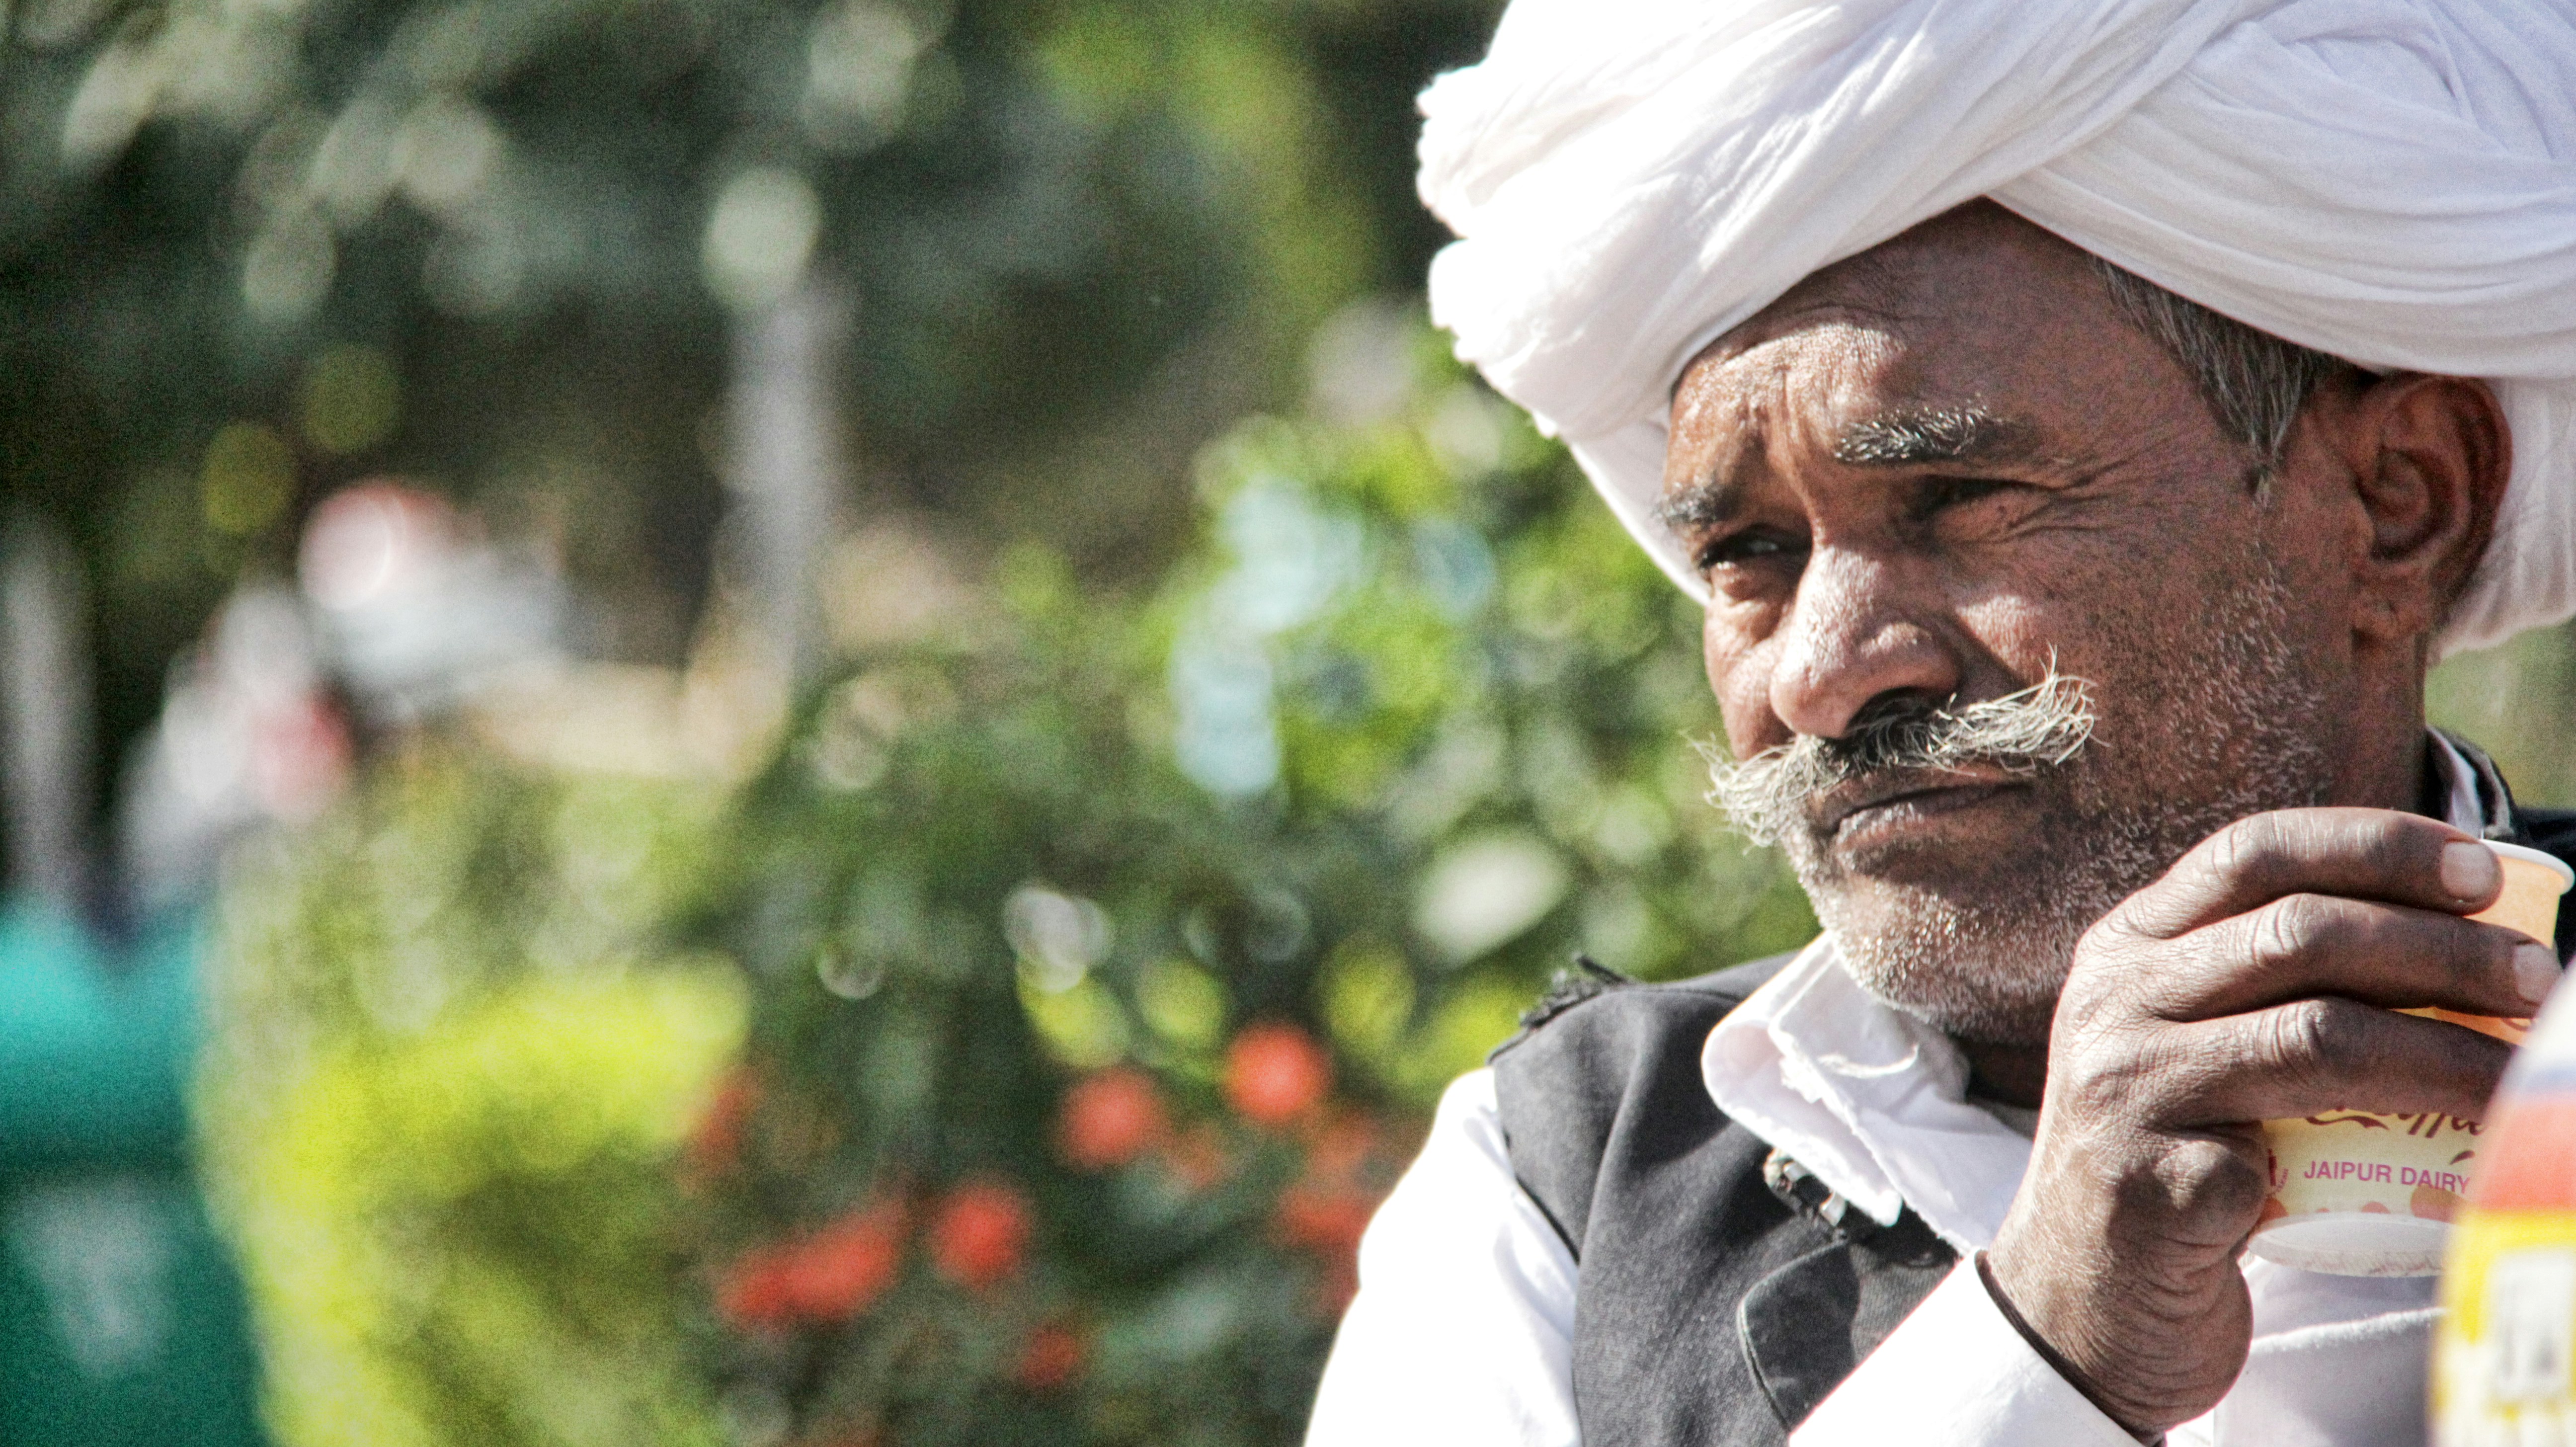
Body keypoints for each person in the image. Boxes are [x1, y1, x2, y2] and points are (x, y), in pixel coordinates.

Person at [1304, 3, 2576, 1444]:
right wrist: (2045, 1340)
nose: (1823, 676)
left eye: (1958, 503)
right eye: (1748, 556)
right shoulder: (1561, 1191)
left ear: (2399, 503)